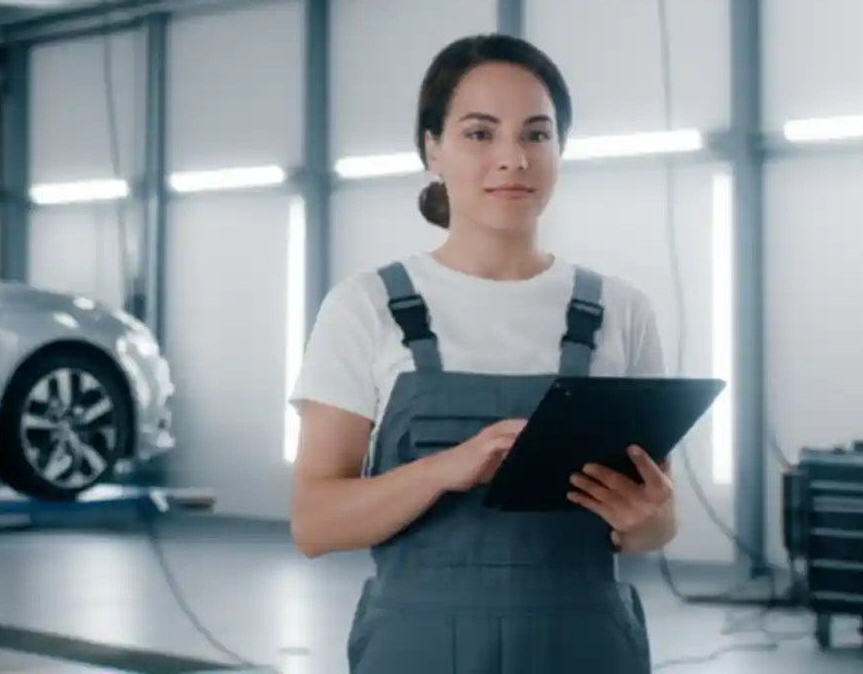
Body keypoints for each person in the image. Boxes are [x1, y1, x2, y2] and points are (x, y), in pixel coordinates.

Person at [287, 33, 678, 673]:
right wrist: (445, 469)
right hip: (417, 649)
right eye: (479, 133)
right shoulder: (366, 307)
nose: (513, 159)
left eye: (536, 134)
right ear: (432, 148)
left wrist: (644, 520)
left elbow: (657, 527)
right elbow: (314, 523)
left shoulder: (620, 310)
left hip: (585, 644)